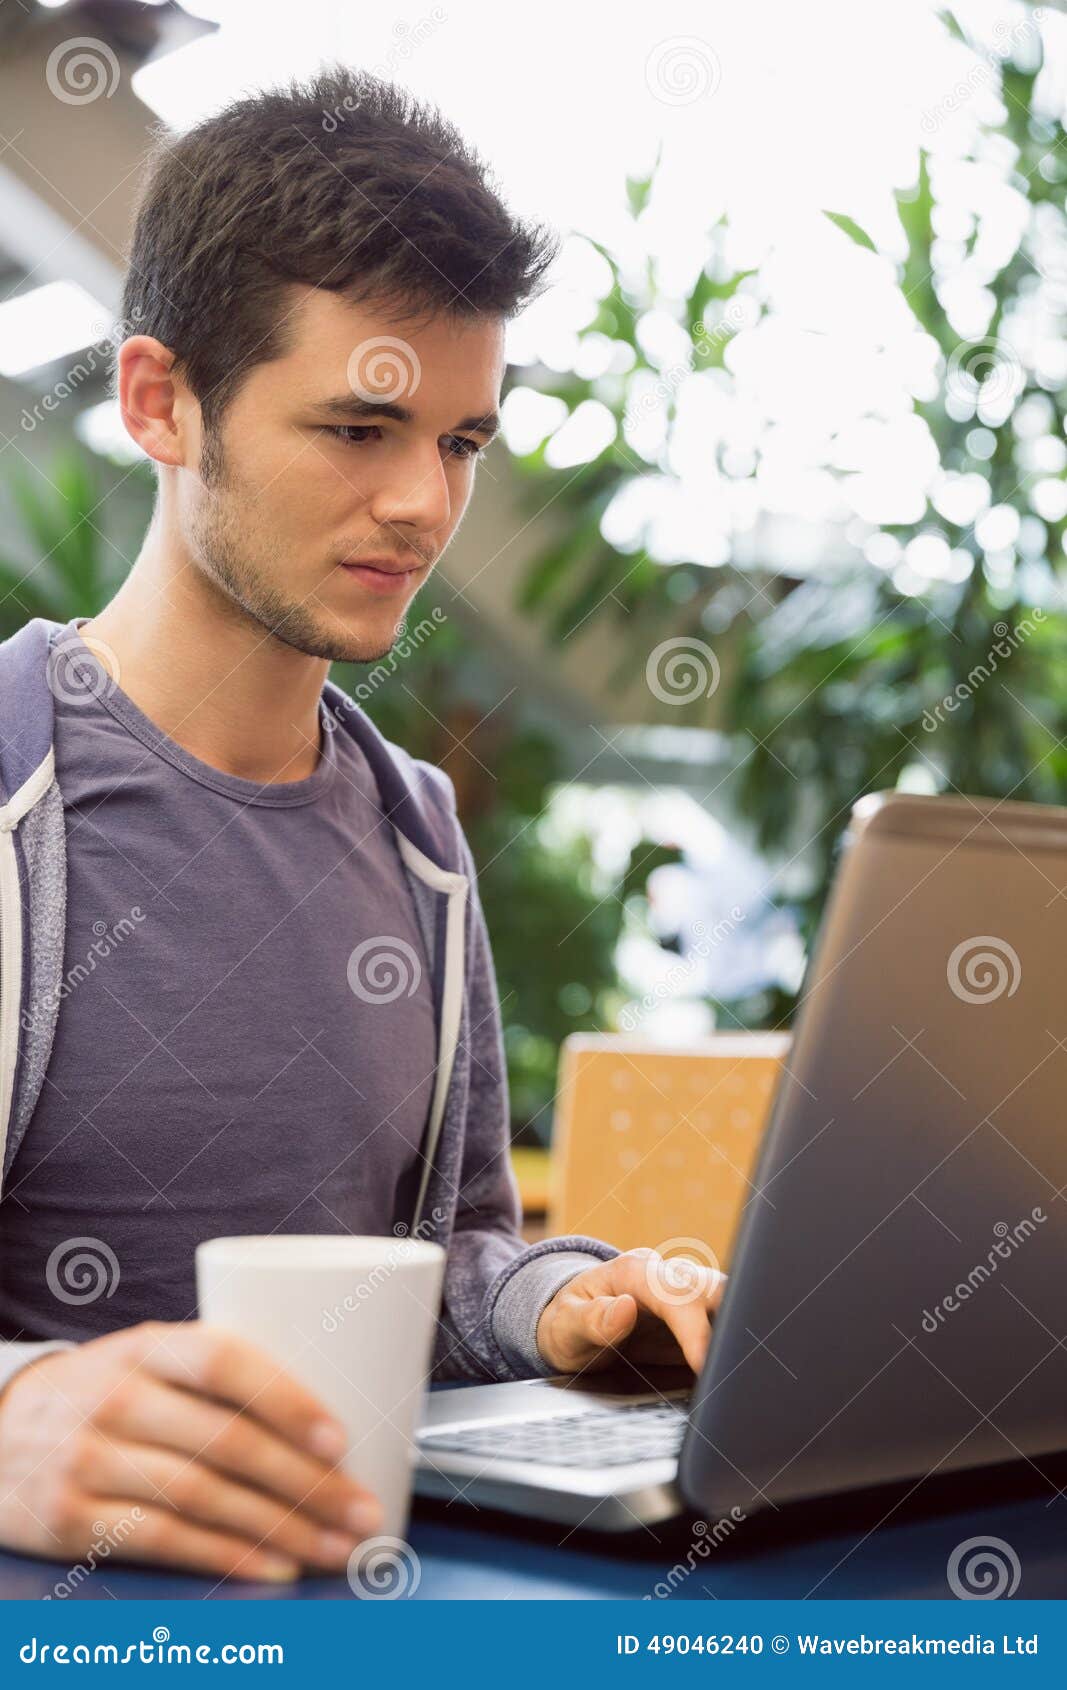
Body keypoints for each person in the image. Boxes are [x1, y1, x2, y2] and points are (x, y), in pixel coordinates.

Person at [0, 67, 722, 1582]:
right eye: (360, 428)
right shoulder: (18, 788)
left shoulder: (416, 835)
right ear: (160, 402)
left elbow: (445, 1262)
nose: (422, 504)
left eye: (462, 441)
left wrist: (564, 1300)